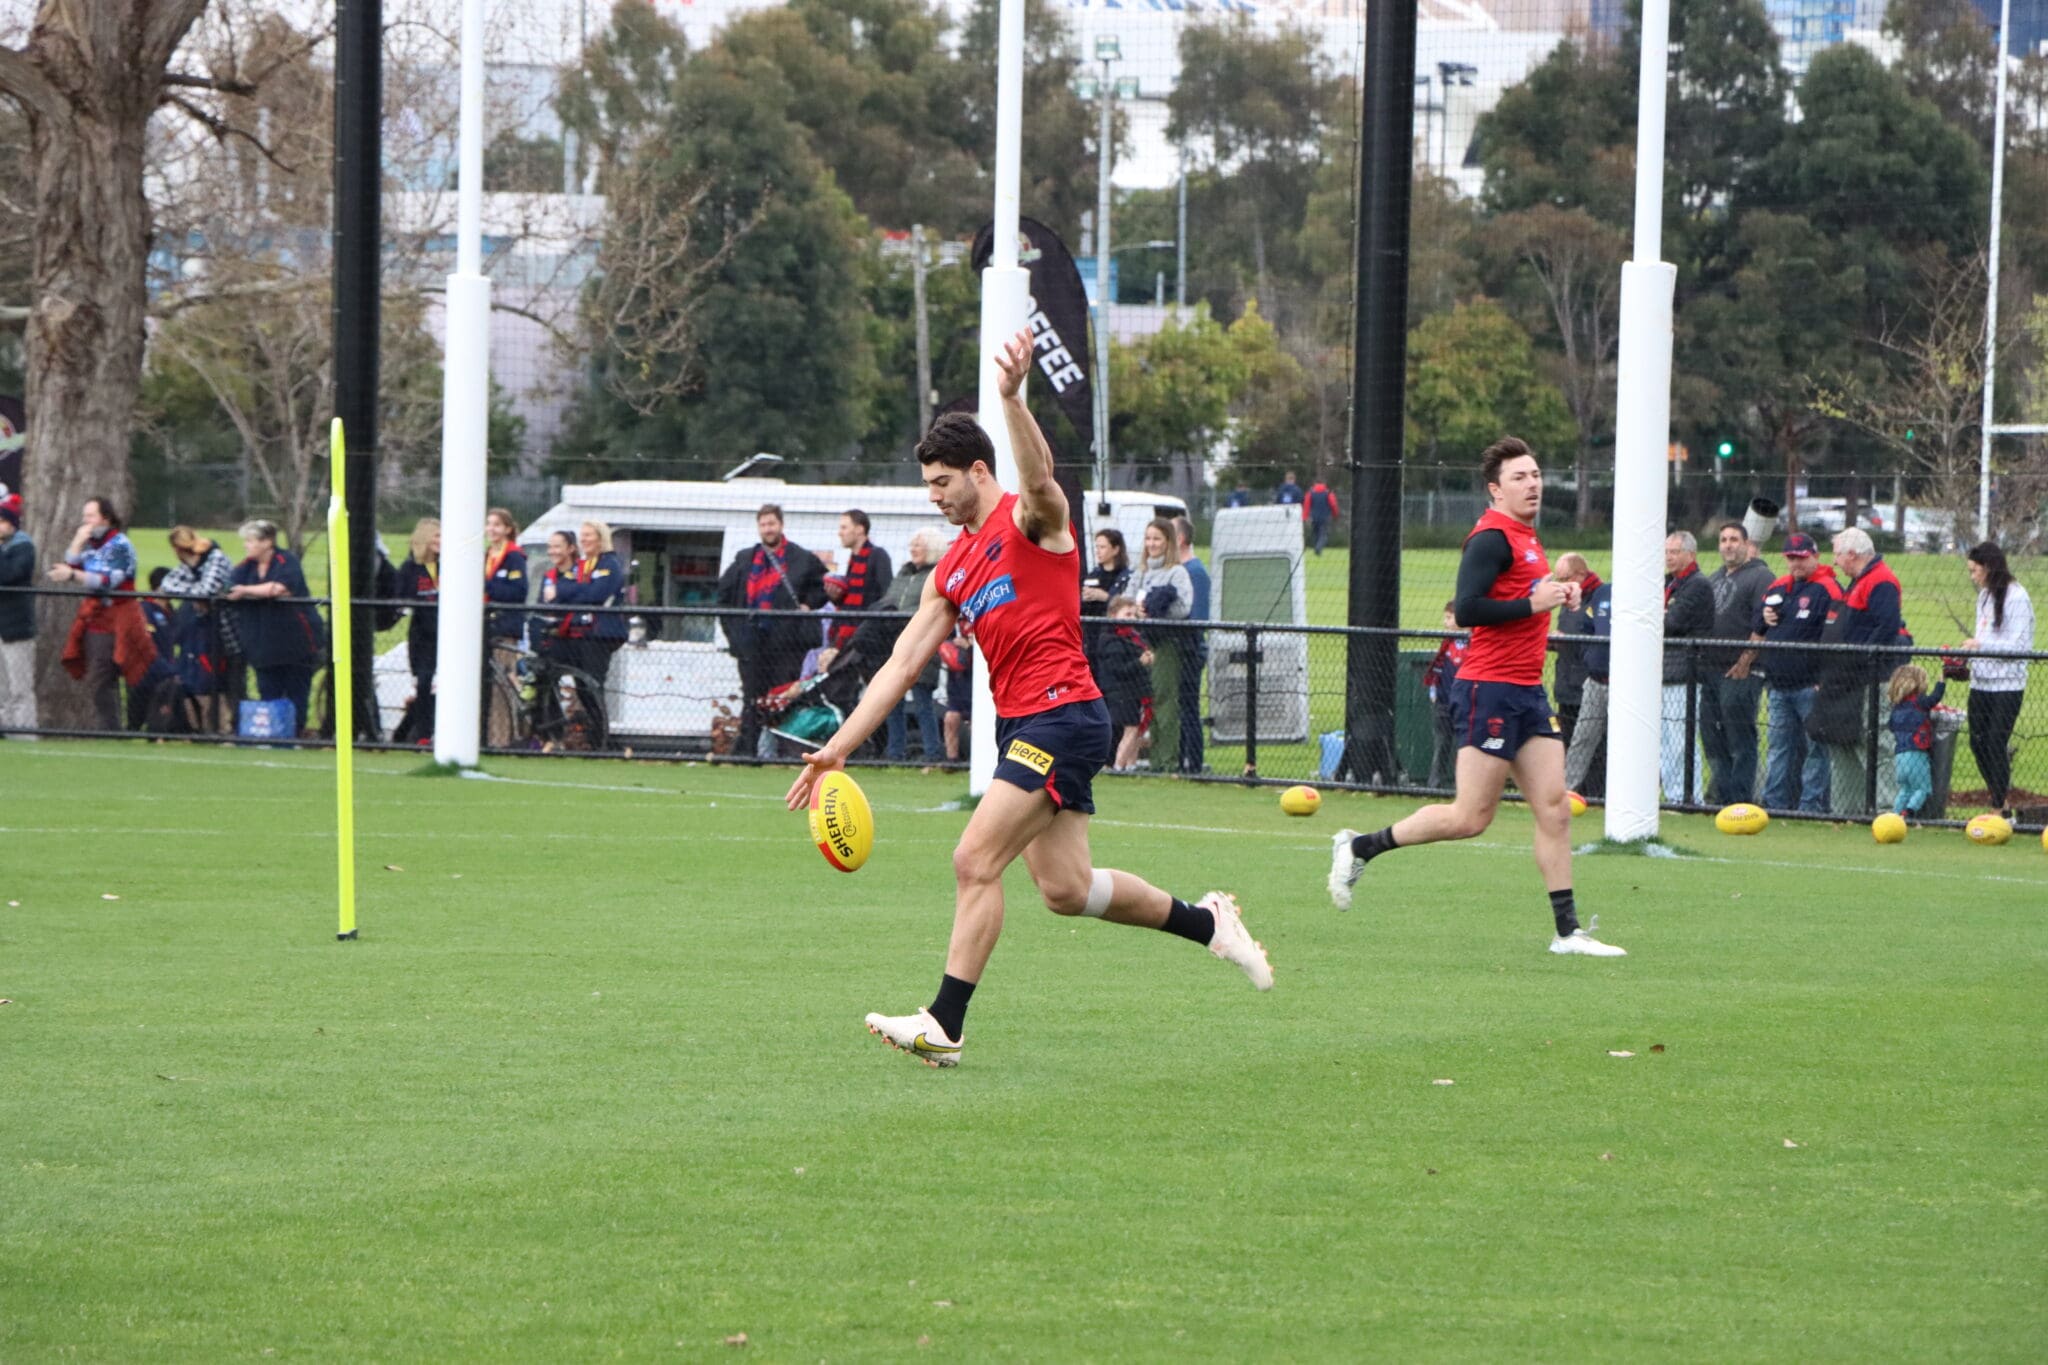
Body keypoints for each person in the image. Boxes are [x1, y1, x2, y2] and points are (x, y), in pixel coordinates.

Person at [784, 329, 1272, 1067]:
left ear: (978, 471)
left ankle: (944, 1022)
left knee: (974, 859)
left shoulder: (1029, 522)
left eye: (943, 483)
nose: (936, 498)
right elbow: (903, 659)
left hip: (1064, 713)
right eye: (928, 487)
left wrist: (1012, 397)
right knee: (1067, 889)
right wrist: (840, 746)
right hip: (1028, 723)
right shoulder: (953, 568)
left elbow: (1042, 478)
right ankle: (1209, 924)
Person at [1327, 435, 1625, 957]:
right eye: (1519, 477)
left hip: (1527, 691)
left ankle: (1567, 932)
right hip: (1488, 690)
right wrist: (1535, 603)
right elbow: (1467, 609)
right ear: (1495, 490)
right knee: (1470, 818)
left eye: (1535, 475)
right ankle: (1359, 847)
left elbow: (1527, 598)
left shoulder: (1529, 539)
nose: (1532, 484)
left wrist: (1561, 593)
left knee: (1554, 811)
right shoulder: (1490, 538)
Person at [717, 504, 827, 757]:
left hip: (787, 643)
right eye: (763, 524)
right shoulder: (745, 559)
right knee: (752, 698)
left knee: (782, 697)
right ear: (758, 527)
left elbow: (821, 587)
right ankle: (748, 752)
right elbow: (723, 596)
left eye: (772, 524)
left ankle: (781, 750)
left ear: (781, 525)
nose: (768, 529)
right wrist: (734, 634)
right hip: (751, 642)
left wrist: (807, 605)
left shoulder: (802, 558)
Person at [1740, 533, 1839, 813]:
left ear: (1814, 556)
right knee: (1779, 748)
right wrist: (1765, 618)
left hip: (1810, 685)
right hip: (1779, 685)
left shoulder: (1827, 588)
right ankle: (1775, 804)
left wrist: (1825, 678)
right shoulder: (1779, 586)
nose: (1796, 564)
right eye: (1791, 558)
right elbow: (1758, 620)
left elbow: (1834, 635)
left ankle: (1811, 806)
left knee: (1815, 749)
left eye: (1801, 558)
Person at [1814, 527, 1906, 817]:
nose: (1835, 561)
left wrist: (1859, 657)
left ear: (1852, 554)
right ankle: (1847, 809)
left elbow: (1887, 627)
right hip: (1847, 679)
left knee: (1876, 743)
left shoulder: (1881, 581)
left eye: (1838, 554)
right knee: (1845, 740)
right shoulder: (1860, 581)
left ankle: (1887, 810)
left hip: (1870, 679)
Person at [838, 526, 945, 762]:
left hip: (923, 645)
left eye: (919, 544)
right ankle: (895, 753)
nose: (913, 548)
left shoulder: (936, 574)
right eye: (913, 544)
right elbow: (890, 601)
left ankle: (932, 755)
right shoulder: (903, 573)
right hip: (893, 645)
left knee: (922, 703)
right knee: (891, 702)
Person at [47, 496, 142, 731]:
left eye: (90, 516)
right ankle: (112, 730)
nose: (85, 521)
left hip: (121, 615)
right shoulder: (91, 544)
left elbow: (110, 580)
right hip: (98, 618)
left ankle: (130, 727)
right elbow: (74, 566)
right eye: (84, 516)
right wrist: (77, 543)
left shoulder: (120, 545)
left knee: (126, 671)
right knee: (100, 676)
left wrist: (72, 575)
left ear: (105, 518)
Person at [225, 519, 321, 735]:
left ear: (267, 542)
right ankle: (273, 732)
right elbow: (230, 587)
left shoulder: (286, 560)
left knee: (297, 691)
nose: (246, 545)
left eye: (251, 541)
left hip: (295, 643)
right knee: (268, 691)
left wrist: (246, 591)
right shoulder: (245, 567)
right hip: (261, 645)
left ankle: (295, 733)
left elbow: (281, 588)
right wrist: (241, 590)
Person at [1700, 522, 1773, 804]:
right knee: (1712, 737)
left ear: (1746, 544)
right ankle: (1720, 795)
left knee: (1739, 737)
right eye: (1723, 540)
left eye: (1734, 539)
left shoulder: (1761, 576)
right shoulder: (1715, 578)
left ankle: (1741, 800)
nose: (1728, 545)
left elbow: (1763, 623)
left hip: (1742, 671)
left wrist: (1746, 660)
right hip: (1710, 670)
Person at [1959, 542, 2033, 817]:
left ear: (1989, 567)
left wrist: (1981, 647)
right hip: (1981, 681)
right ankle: (1998, 797)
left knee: (1995, 742)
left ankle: (2000, 806)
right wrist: (1967, 658)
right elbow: (1983, 637)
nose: (1972, 576)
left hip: (2007, 684)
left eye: (1975, 570)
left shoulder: (2017, 597)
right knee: (1977, 742)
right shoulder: (1984, 597)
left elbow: (2018, 647)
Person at [553, 520, 628, 738]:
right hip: (578, 633)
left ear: (600, 538)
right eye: (582, 535)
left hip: (600, 633)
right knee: (580, 685)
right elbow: (561, 588)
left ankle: (602, 737)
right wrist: (579, 591)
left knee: (593, 684)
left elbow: (596, 595)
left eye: (589, 535)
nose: (584, 540)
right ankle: (588, 734)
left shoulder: (609, 564)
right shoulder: (581, 565)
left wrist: (575, 592)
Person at [1129, 517, 1192, 773]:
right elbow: (1127, 598)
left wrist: (1157, 610)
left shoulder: (1177, 572)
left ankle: (1166, 762)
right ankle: (1152, 759)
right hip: (1140, 642)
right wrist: (1136, 610)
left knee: (1164, 701)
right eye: (1148, 539)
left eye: (1157, 539)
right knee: (1147, 702)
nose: (1151, 544)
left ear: (1168, 542)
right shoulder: (1141, 571)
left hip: (1165, 643)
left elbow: (1184, 608)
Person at [162, 526, 240, 728]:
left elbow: (207, 590)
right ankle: (211, 728)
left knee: (233, 683)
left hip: (230, 632)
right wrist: (195, 593)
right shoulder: (189, 566)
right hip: (205, 635)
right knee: (207, 682)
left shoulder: (216, 557)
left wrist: (194, 593)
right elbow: (167, 584)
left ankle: (235, 728)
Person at [1660, 531, 1713, 804]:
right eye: (1667, 552)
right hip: (1665, 671)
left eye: (1674, 552)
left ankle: (1689, 796)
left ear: (1690, 554)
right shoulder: (1670, 583)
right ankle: (1673, 794)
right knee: (1664, 742)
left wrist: (1659, 614)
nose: (1669, 557)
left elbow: (1673, 622)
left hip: (1685, 672)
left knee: (1682, 739)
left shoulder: (1697, 585)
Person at [1561, 572, 1615, 799]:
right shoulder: (1603, 593)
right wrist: (1589, 655)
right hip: (1596, 680)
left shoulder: (1645, 595)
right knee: (1582, 737)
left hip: (1627, 685)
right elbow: (1586, 625)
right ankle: (1565, 791)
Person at [483, 508, 529, 747]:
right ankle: (485, 736)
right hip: (484, 627)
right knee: (484, 687)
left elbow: (517, 591)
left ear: (508, 529)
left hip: (504, 628)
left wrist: (486, 585)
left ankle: (502, 739)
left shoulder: (514, 557)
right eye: (489, 524)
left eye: (497, 525)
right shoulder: (485, 555)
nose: (491, 529)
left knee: (501, 686)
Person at [1092, 595, 1153, 771]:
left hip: (1134, 690)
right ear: (1113, 615)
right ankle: (1118, 766)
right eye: (1127, 614)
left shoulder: (1135, 638)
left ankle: (1130, 765)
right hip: (1120, 690)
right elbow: (1117, 668)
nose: (1132, 619)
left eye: (1134, 615)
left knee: (1135, 729)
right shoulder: (1109, 639)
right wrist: (1140, 662)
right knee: (1131, 728)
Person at [396, 518, 441, 744]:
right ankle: (421, 735)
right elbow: (400, 597)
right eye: (436, 536)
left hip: (447, 636)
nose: (440, 541)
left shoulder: (448, 564)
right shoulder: (410, 568)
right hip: (422, 636)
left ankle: (406, 734)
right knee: (423, 684)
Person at [1548, 553, 1601, 747]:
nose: (1561, 584)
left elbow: (1602, 641)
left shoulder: (1599, 598)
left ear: (1581, 574)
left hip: (1588, 686)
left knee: (1589, 744)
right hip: (1565, 684)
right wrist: (1555, 641)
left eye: (1565, 579)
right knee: (1567, 742)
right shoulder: (1567, 600)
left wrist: (1569, 640)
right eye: (1558, 579)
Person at [1173, 515, 1209, 774]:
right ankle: (1181, 760)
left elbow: (1196, 616)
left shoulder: (1195, 572)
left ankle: (1193, 764)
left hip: (1190, 649)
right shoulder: (1177, 570)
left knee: (1189, 707)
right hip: (1176, 649)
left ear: (1181, 539)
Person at [1886, 663, 1946, 818]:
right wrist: (1942, 682)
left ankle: (1895, 815)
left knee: (1905, 789)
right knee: (1923, 788)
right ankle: (1909, 812)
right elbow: (1934, 698)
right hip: (1916, 753)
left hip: (1900, 754)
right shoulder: (1919, 702)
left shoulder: (1897, 706)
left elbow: (1891, 726)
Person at [0, 501, 36, 736]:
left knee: (19, 688)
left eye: (2, 522)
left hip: (16, 628)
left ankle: (24, 733)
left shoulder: (23, 547)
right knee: (2, 689)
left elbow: (8, 575)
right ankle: (5, 730)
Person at [831, 509, 891, 650]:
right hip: (852, 633)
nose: (840, 533)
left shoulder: (878, 555)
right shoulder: (853, 560)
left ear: (859, 529)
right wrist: (836, 597)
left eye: (844, 527)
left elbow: (886, 595)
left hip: (868, 636)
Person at [1422, 599, 1465, 788]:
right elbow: (1438, 668)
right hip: (1443, 702)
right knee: (1442, 744)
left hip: (1466, 704)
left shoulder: (1474, 645)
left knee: (1464, 747)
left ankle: (1463, 785)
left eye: (1449, 618)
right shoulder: (1446, 644)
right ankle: (1435, 784)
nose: (1445, 623)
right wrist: (1433, 689)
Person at [1080, 528, 1132, 618]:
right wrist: (1082, 599)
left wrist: (1106, 597)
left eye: (1102, 547)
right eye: (1097, 547)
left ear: (1116, 550)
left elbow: (1128, 606)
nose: (1098, 551)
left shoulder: (1127, 577)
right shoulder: (1092, 575)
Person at [1302, 478, 1340, 555]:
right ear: (1324, 483)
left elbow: (1306, 505)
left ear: (1315, 483)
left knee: (1316, 534)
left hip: (1314, 517)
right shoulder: (1328, 493)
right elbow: (1333, 505)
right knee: (1324, 535)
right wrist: (1335, 514)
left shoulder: (1310, 493)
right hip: (1325, 517)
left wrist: (1305, 517)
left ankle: (1316, 549)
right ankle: (1318, 548)